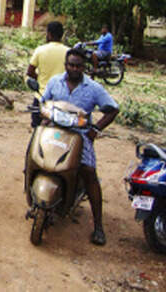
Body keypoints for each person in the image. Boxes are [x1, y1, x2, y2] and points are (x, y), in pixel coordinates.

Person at [40, 49, 119, 245]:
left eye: (78, 65)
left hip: (79, 136)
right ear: (66, 65)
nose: (74, 68)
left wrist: (96, 130)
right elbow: (44, 103)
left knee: (89, 171)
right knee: (35, 156)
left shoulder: (93, 88)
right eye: (71, 65)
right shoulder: (55, 82)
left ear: (84, 67)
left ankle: (98, 226)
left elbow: (112, 109)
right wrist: (45, 116)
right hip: (55, 131)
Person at [27, 21, 68, 91]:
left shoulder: (40, 50)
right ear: (62, 35)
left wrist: (39, 78)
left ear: (49, 34)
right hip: (61, 95)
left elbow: (30, 72)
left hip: (42, 93)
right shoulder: (69, 52)